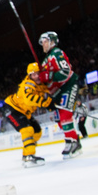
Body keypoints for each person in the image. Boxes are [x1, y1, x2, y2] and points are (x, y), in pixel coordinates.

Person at [37, 31, 83, 159]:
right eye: (42, 42)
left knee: (64, 115)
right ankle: (72, 140)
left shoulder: (56, 53)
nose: (43, 45)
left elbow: (65, 71)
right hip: (57, 92)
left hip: (68, 85)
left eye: (45, 41)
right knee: (59, 119)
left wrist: (48, 76)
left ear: (52, 41)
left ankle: (73, 142)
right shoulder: (46, 59)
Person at [3, 63, 53, 167]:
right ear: (29, 76)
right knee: (27, 130)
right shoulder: (28, 84)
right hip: (12, 109)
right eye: (33, 74)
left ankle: (26, 155)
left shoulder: (42, 86)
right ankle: (30, 156)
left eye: (38, 73)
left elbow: (47, 97)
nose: (36, 76)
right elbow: (29, 99)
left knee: (37, 132)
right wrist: (43, 102)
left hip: (25, 112)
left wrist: (50, 103)